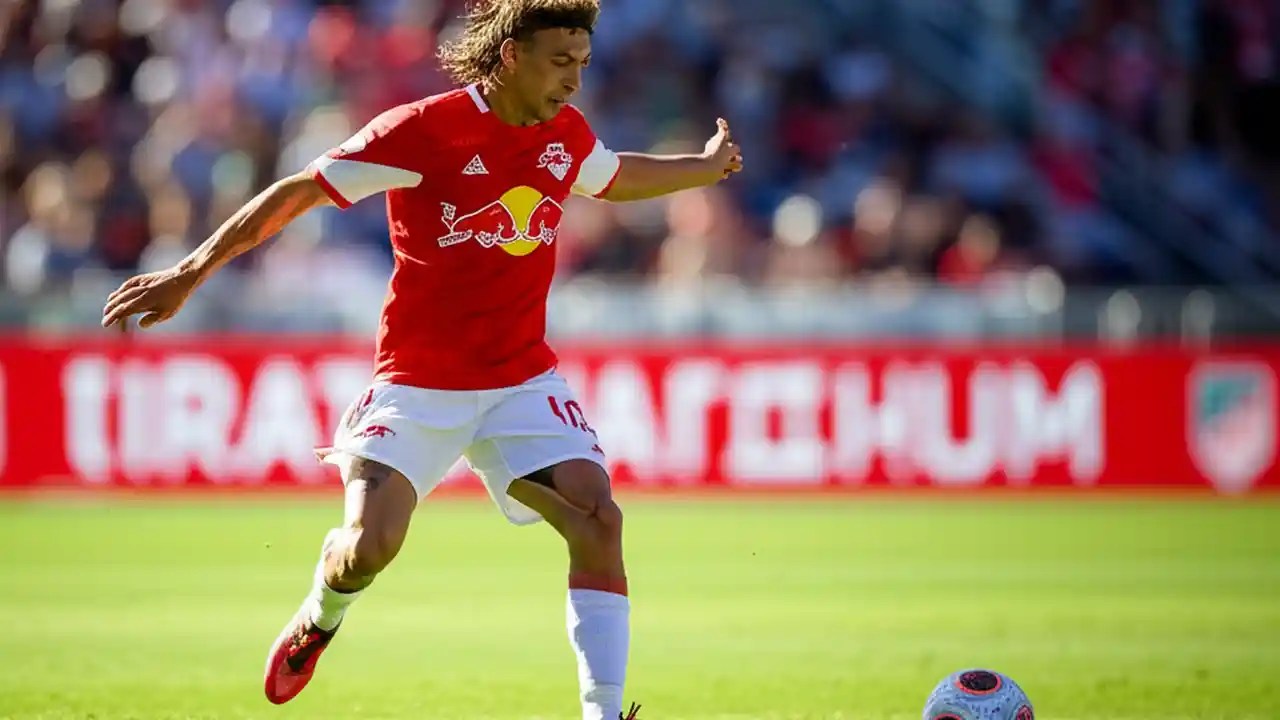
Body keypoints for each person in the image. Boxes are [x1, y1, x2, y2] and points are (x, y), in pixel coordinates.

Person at [99, 1, 743, 718]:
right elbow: (299, 192)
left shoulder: (565, 134)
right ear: (510, 57)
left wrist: (704, 168)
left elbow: (614, 175)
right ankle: (320, 613)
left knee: (597, 517)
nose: (573, 80)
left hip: (519, 380)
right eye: (560, 62)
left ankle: (603, 710)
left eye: (582, 64)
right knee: (369, 548)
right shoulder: (421, 130)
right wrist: (191, 271)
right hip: (417, 384)